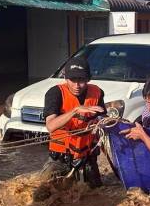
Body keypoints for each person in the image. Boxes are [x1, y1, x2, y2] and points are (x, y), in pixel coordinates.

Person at [42, 58, 105, 187]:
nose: (77, 85)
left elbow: (102, 117)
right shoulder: (55, 93)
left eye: (81, 81)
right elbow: (50, 126)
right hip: (60, 158)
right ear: (65, 78)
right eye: (73, 80)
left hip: (87, 156)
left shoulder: (97, 93)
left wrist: (100, 122)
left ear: (88, 79)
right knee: (42, 195)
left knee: (96, 194)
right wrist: (75, 111)